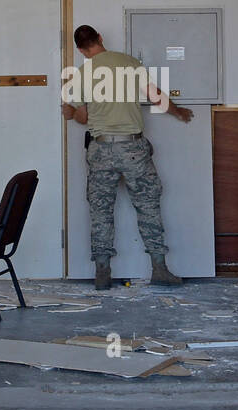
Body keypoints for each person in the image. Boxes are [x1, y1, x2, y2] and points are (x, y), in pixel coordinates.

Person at [61, 25, 192, 290]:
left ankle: (102, 274)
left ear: (79, 49)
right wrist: (179, 112)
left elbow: (81, 117)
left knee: (100, 211)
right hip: (133, 149)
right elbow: (156, 97)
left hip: (100, 151)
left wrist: (71, 113)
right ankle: (159, 269)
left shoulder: (82, 74)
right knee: (148, 206)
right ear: (100, 38)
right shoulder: (129, 62)